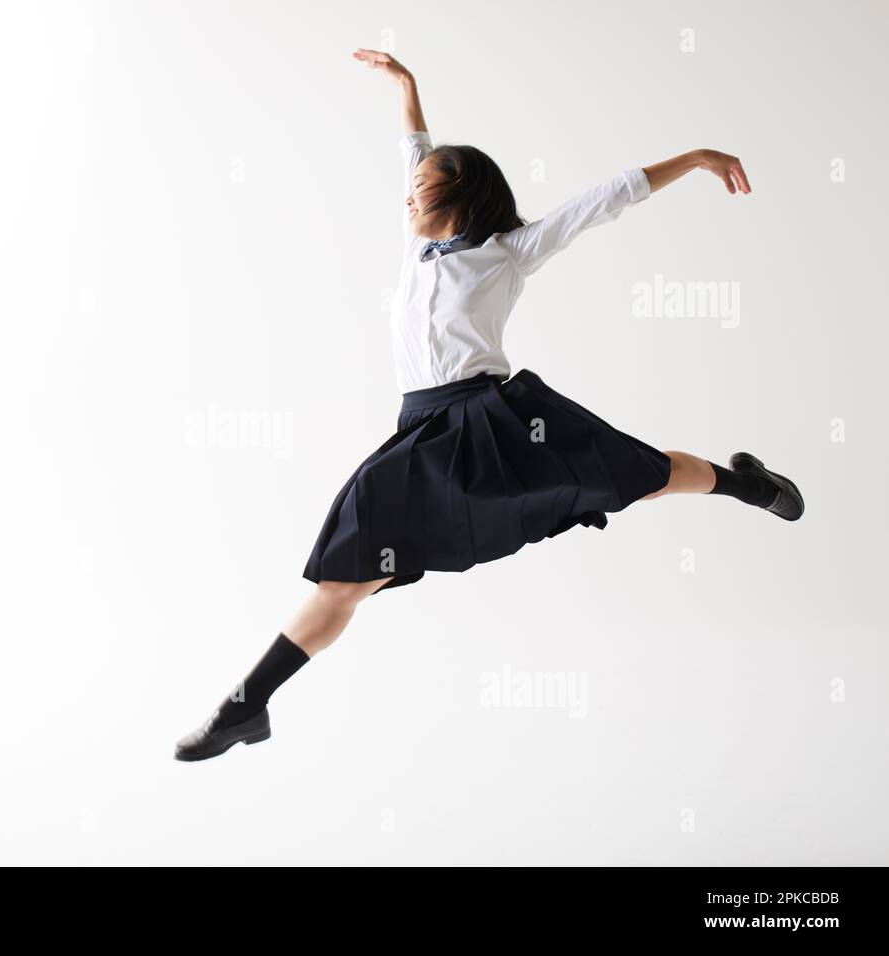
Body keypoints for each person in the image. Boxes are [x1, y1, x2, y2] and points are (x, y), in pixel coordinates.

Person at [174, 49, 803, 762]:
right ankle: (247, 707)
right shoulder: (415, 254)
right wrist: (407, 89)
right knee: (345, 572)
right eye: (409, 186)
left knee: (643, 475)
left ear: (460, 195)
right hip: (417, 434)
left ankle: (748, 483)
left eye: (422, 186)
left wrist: (692, 158)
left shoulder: (510, 251)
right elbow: (415, 150)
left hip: (494, 422)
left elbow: (601, 201)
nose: (407, 196)